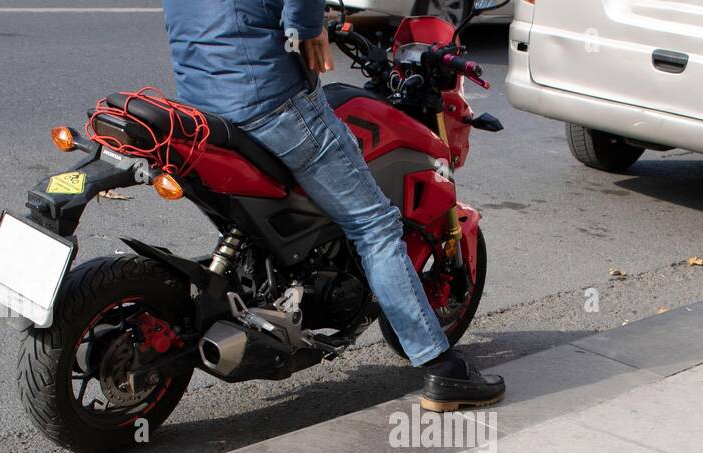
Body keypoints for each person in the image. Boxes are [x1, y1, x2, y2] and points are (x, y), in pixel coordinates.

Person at [162, 0, 505, 411]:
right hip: (270, 102)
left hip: (200, 101)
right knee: (375, 226)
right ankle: (441, 368)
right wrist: (307, 29)